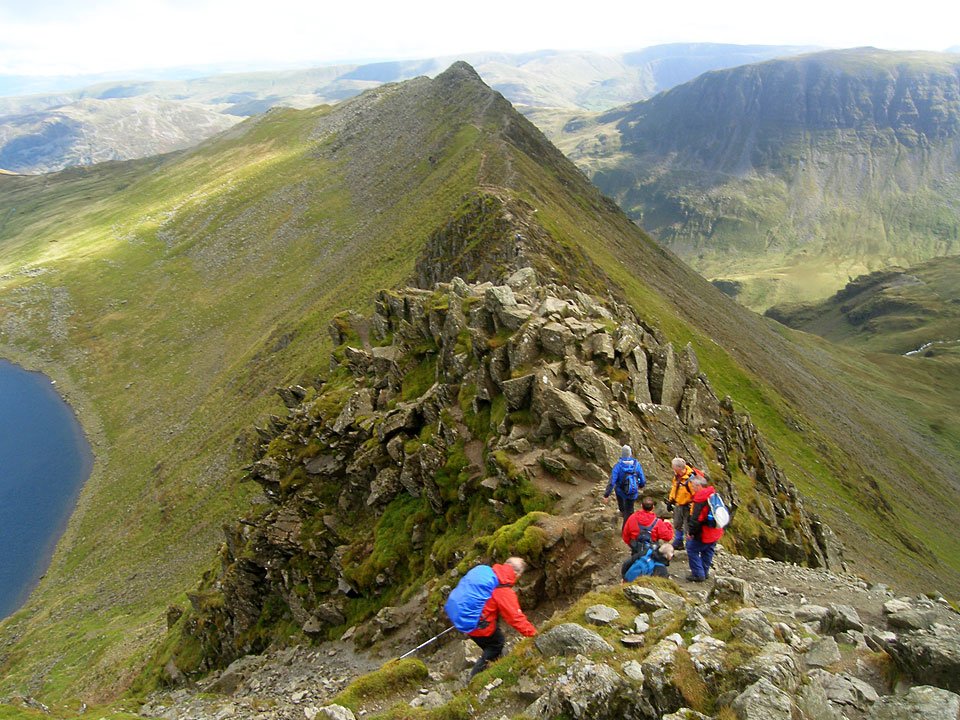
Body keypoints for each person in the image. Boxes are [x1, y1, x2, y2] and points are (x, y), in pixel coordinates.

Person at [467, 557, 537, 678]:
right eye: (520, 574)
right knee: (496, 644)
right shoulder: (503, 590)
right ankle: (476, 677)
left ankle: (491, 664)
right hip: (478, 626)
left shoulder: (488, 573)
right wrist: (535, 634)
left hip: (464, 618)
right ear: (516, 573)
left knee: (491, 639)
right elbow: (515, 618)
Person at [620, 496, 675, 579]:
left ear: (641, 506)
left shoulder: (632, 518)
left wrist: (631, 544)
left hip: (636, 548)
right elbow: (668, 537)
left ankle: (630, 578)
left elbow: (625, 535)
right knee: (651, 567)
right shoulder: (658, 522)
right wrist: (668, 525)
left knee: (633, 563)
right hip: (651, 551)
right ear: (653, 507)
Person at [685, 474, 724, 582]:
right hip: (716, 530)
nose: (692, 488)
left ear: (698, 486)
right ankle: (705, 572)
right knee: (708, 551)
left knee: (692, 549)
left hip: (704, 533)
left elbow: (696, 520)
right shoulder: (713, 494)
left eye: (693, 486)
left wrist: (691, 532)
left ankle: (698, 574)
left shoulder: (700, 499)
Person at [603, 445, 645, 527]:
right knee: (629, 510)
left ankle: (622, 511)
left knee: (619, 496)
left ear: (622, 454)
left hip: (620, 491)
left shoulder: (618, 466)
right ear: (630, 454)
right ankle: (626, 525)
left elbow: (612, 482)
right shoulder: (637, 465)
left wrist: (606, 495)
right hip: (632, 492)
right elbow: (642, 479)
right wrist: (640, 485)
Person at [667, 457, 702, 550]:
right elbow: (675, 488)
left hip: (688, 506)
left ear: (679, 468)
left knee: (688, 528)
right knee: (677, 524)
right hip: (678, 504)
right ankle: (678, 542)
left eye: (674, 468)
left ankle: (690, 545)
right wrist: (670, 500)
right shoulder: (677, 476)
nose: (673, 470)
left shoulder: (691, 479)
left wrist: (692, 512)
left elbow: (696, 496)